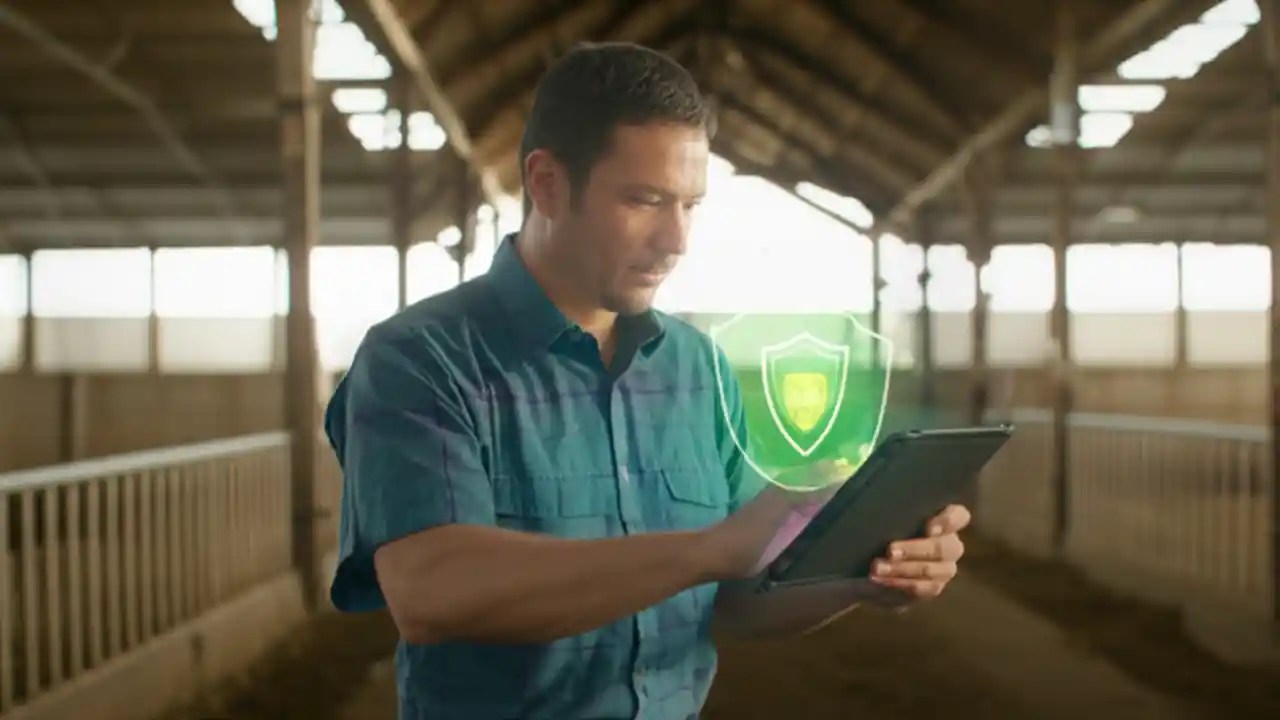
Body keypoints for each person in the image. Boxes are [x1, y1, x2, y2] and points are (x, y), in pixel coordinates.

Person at [324, 41, 970, 720]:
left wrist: (861, 574)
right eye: (644, 200)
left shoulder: (698, 368)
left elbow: (739, 596)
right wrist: (711, 548)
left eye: (690, 205)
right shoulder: (421, 359)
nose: (676, 240)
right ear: (546, 184)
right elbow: (434, 590)